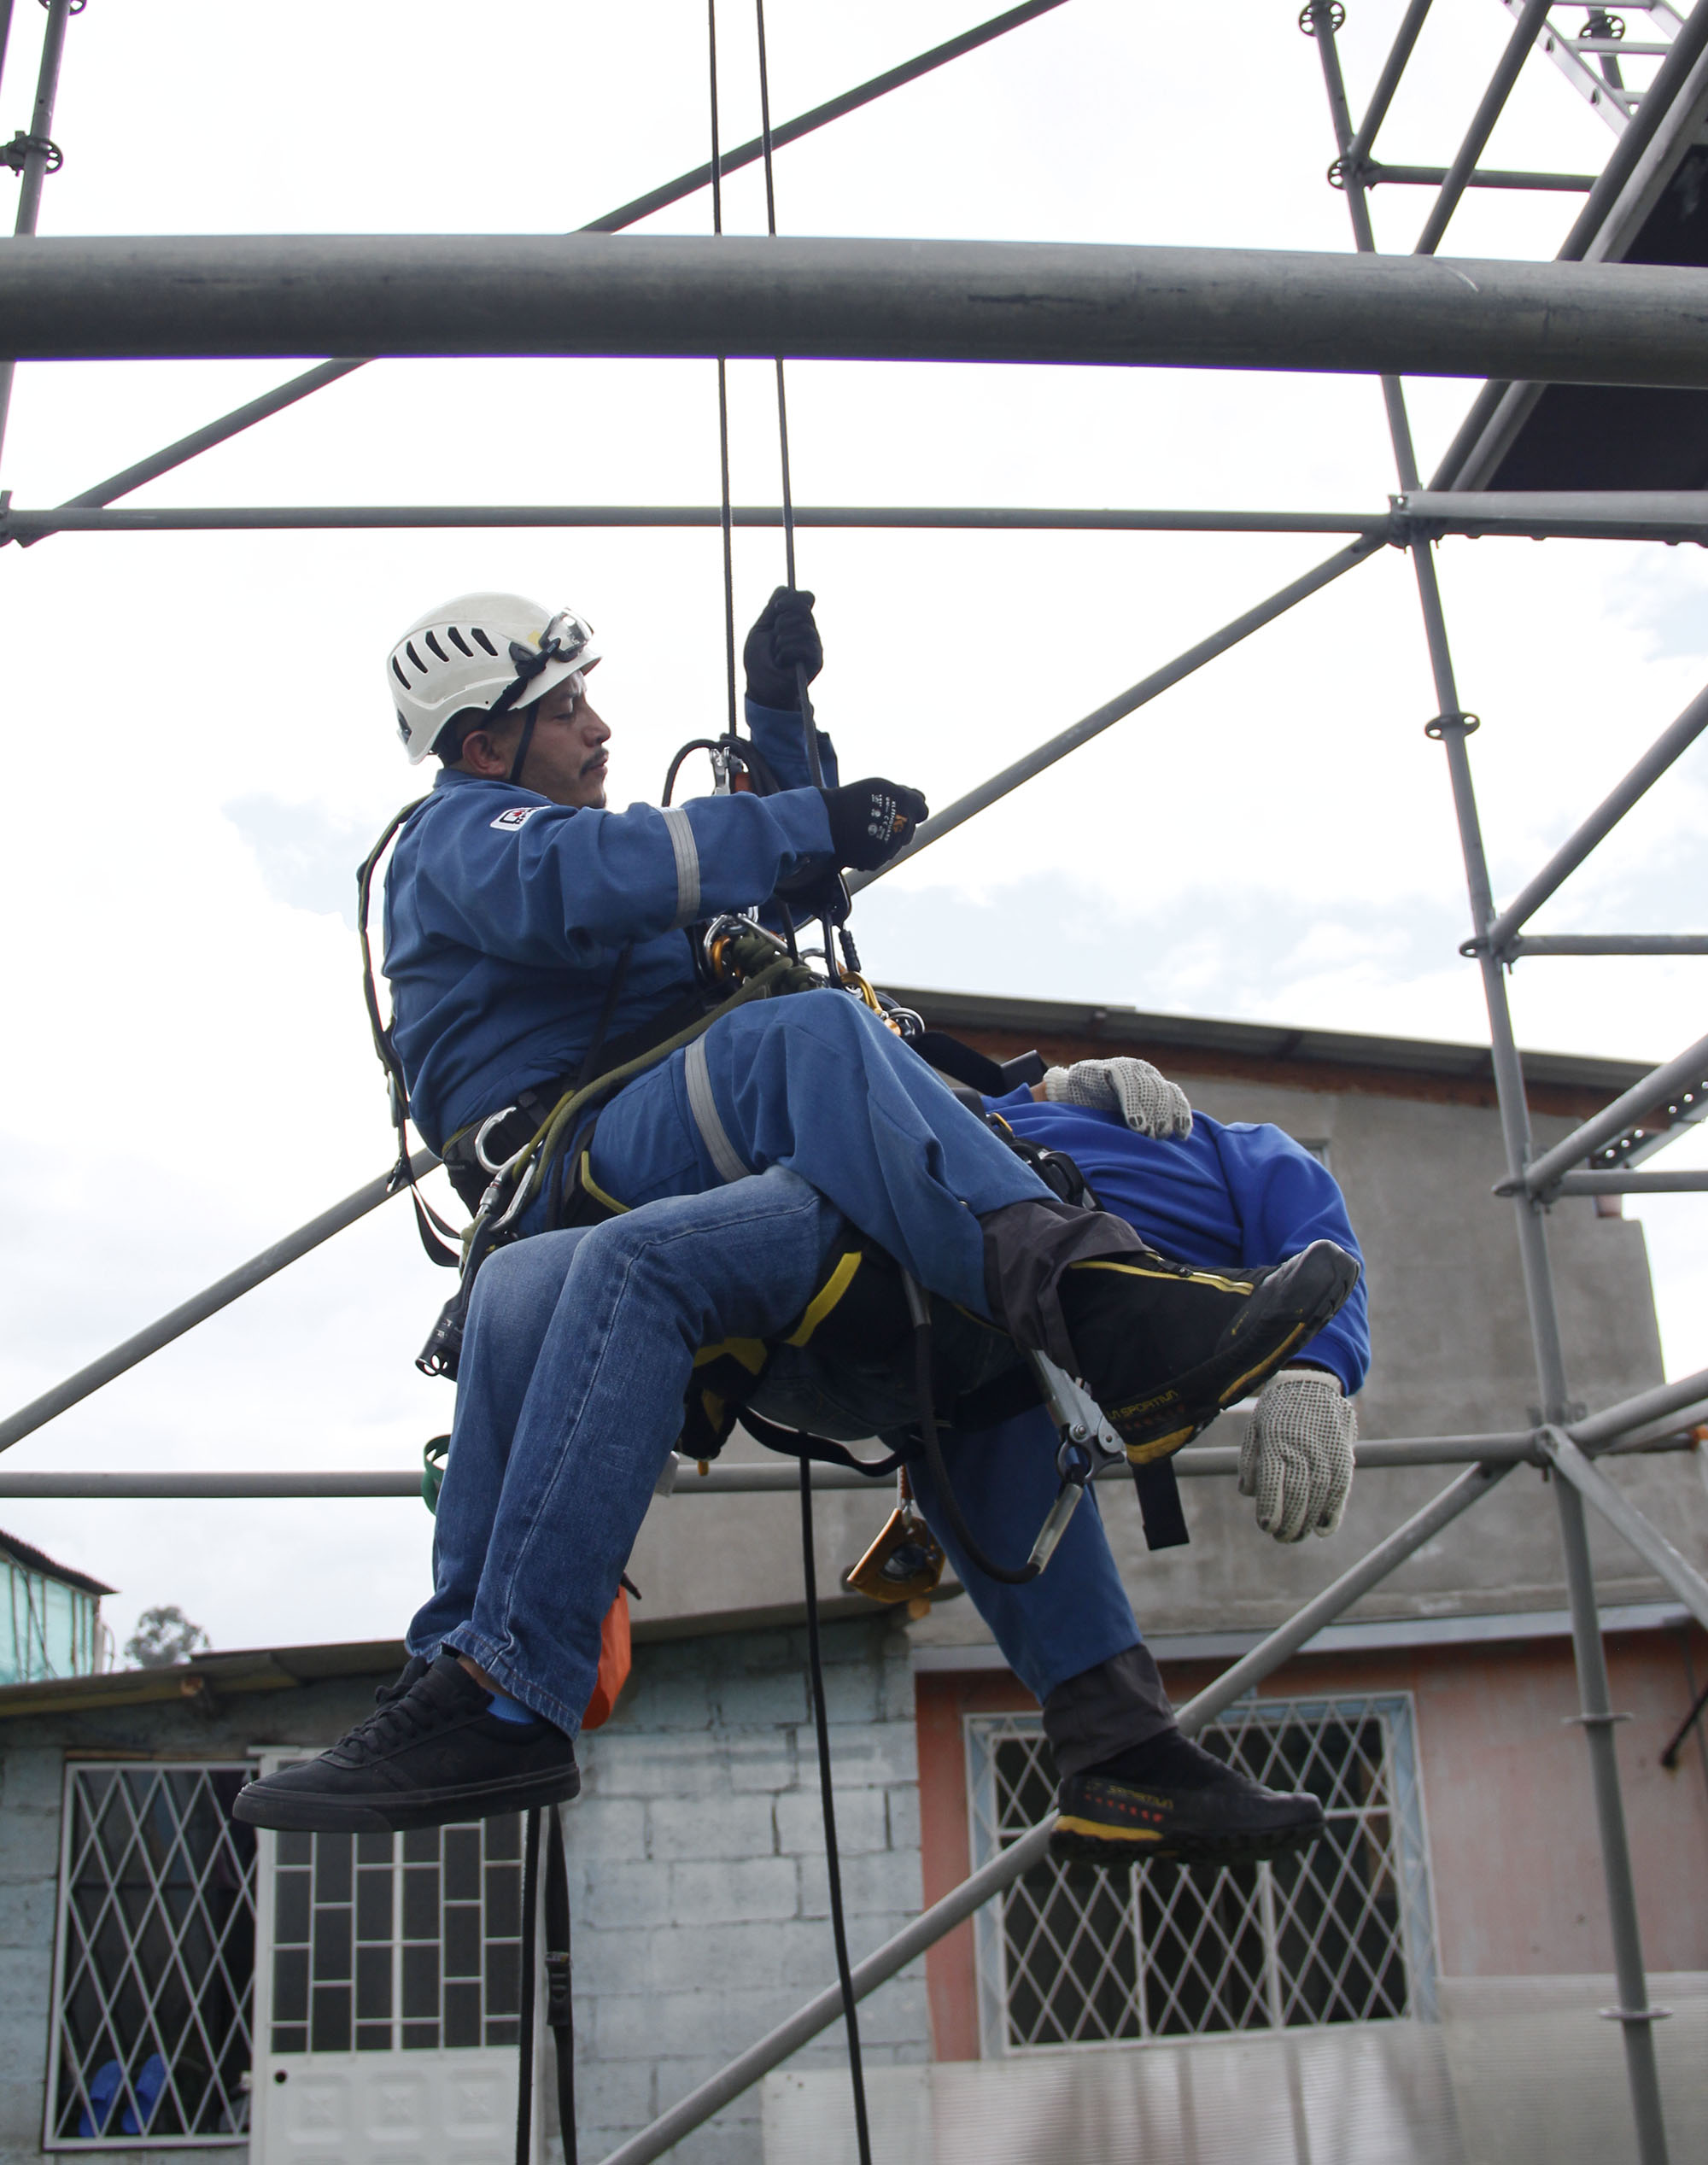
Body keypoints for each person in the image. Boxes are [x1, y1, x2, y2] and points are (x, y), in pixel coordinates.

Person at [232, 1053, 1365, 1863]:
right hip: (885, 1258)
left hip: (931, 1314)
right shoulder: (1084, 1117)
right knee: (522, 1281)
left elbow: (1318, 1228)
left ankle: (1121, 1748)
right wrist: (1043, 1078)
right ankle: (464, 1672)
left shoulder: (1237, 1174)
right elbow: (914, 1092)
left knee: (968, 1404)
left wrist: (1323, 1366)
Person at [371, 587, 1354, 1473]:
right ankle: (1099, 1308)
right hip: (571, 1162)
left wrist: (778, 720)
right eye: (562, 709)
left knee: (990, 1439)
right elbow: (591, 875)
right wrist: (809, 822)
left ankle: (1101, 1677)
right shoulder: (455, 843)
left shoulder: (594, 878)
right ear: (485, 751)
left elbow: (759, 902)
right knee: (810, 1032)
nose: (598, 724)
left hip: (654, 1128)